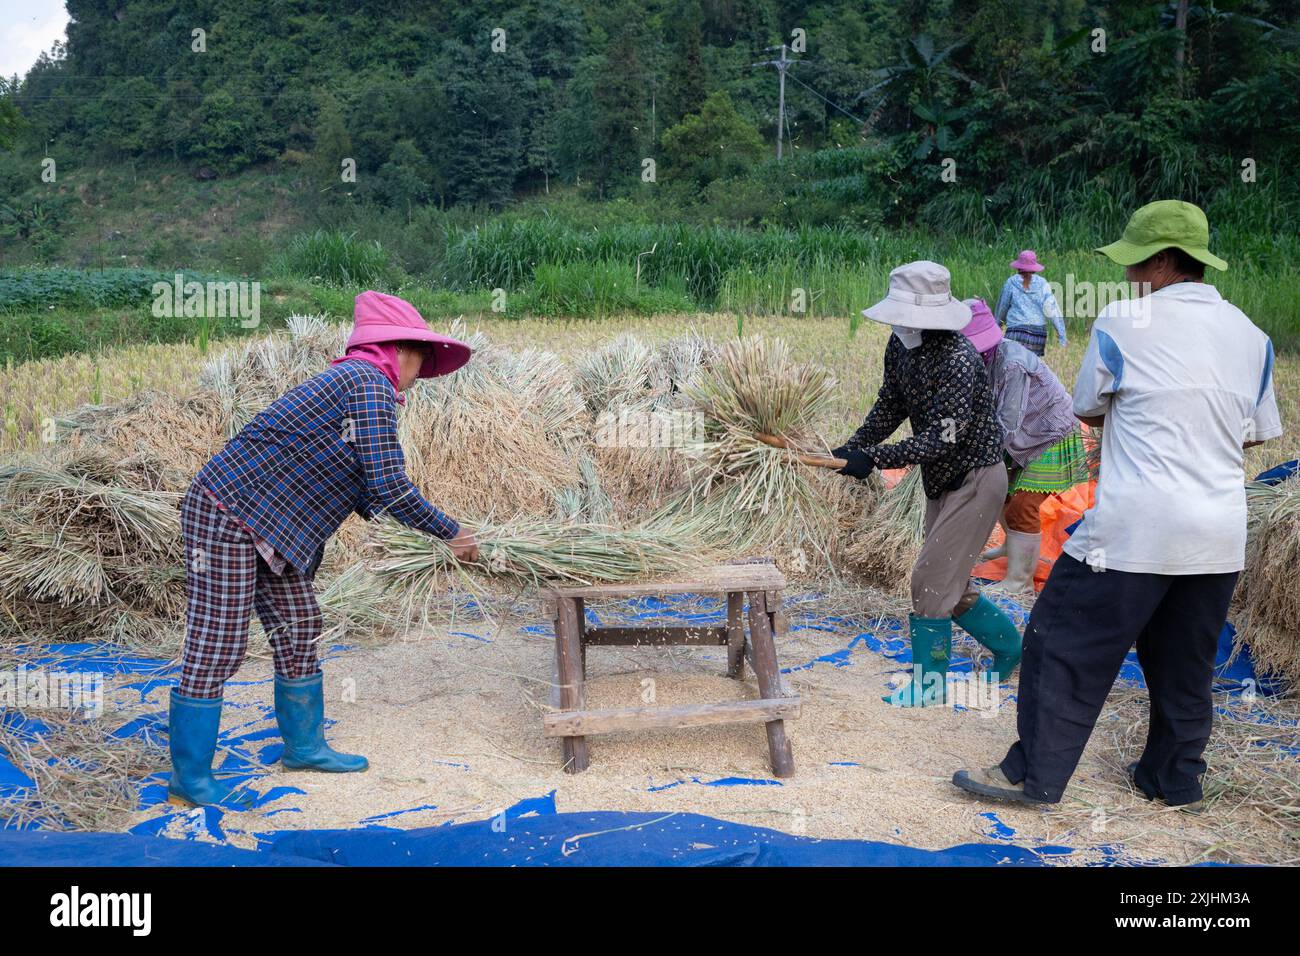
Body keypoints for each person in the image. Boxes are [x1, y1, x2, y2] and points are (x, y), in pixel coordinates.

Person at [954, 200, 1282, 808]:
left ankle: (1034, 777)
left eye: (1134, 262)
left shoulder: (1122, 321)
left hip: (1136, 525)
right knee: (1185, 663)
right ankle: (1173, 781)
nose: (1128, 274)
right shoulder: (1253, 336)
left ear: (1159, 262)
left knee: (1061, 642)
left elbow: (1087, 406)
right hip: (1218, 533)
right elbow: (1256, 432)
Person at [168, 291, 480, 809]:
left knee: (298, 626)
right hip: (228, 510)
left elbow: (361, 482)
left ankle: (304, 747)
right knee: (219, 641)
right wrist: (450, 532)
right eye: (421, 356)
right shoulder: (366, 383)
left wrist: (408, 533)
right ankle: (190, 778)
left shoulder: (359, 386)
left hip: (274, 527)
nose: (421, 370)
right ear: (399, 348)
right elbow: (386, 482)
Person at [831, 261, 1022, 707]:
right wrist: (852, 448)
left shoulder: (958, 359)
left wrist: (873, 459)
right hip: (942, 481)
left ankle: (931, 684)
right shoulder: (899, 347)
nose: (900, 323)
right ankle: (1012, 650)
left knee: (930, 580)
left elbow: (940, 439)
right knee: (949, 583)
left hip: (975, 479)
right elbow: (889, 404)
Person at [961, 298, 1087, 594]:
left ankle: (1020, 582)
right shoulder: (984, 360)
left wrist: (977, 457)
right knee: (1001, 491)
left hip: (1049, 435)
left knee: (1023, 507)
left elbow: (1009, 422)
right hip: (1022, 435)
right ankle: (1012, 546)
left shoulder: (1012, 363)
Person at [994, 250, 1066, 356]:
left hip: (1016, 333)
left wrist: (997, 327)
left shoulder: (1011, 282)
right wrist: (1061, 335)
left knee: (1014, 364)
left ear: (1018, 267)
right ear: (1034, 268)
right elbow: (1052, 310)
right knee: (1032, 367)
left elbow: (1002, 308)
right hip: (1037, 336)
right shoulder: (1043, 283)